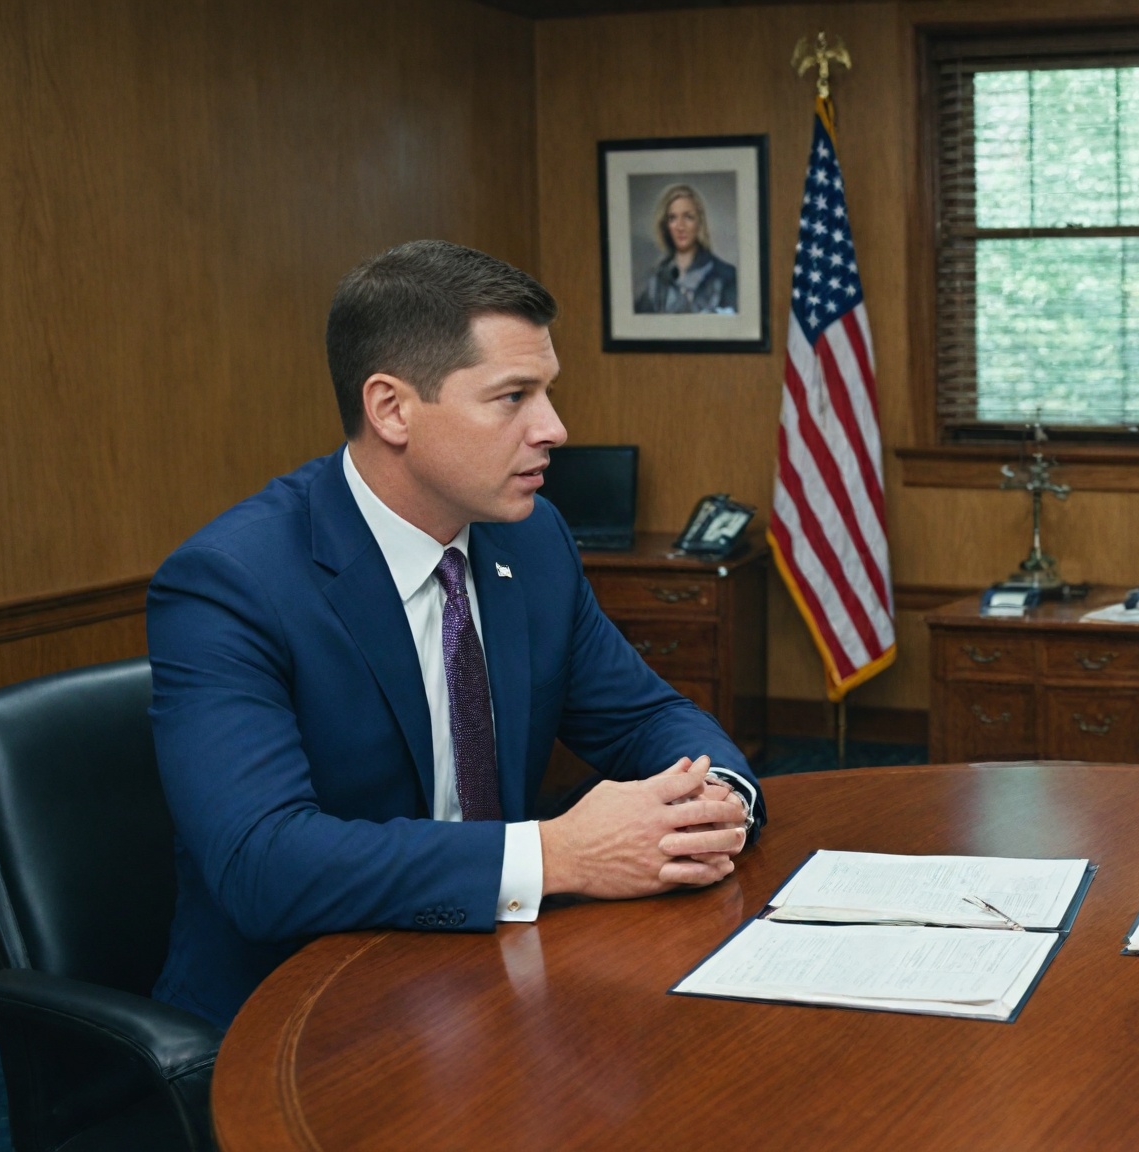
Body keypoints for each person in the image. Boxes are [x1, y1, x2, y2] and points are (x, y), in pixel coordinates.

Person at [147, 240, 760, 1028]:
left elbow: (645, 717)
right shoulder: (231, 583)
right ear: (392, 408)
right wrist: (560, 854)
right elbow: (263, 864)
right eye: (513, 397)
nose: (556, 428)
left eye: (548, 392)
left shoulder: (532, 541)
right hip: (300, 1017)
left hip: (489, 979)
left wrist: (712, 803)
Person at [634, 184, 738, 315]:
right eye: (673, 218)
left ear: (699, 221)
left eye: (688, 217)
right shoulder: (656, 281)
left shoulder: (726, 277)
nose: (680, 226)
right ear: (666, 225)